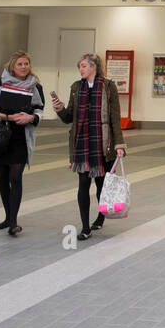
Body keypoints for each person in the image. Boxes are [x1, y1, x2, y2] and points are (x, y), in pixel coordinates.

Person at [51, 53, 126, 241]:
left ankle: (100, 217)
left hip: (103, 144)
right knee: (83, 184)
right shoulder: (76, 87)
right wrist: (59, 108)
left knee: (102, 185)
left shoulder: (109, 87)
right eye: (80, 66)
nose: (81, 69)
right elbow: (69, 117)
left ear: (94, 66)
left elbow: (114, 118)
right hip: (82, 143)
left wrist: (119, 144)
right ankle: (85, 227)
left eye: (84, 66)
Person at [0, 50, 44, 237]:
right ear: (12, 67)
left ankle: (14, 222)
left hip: (21, 137)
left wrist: (30, 117)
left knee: (16, 177)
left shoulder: (35, 87)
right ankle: (8, 217)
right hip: (1, 135)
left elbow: (40, 110)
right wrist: (7, 116)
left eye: (26, 64)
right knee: (3, 177)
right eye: (20, 64)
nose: (24, 67)